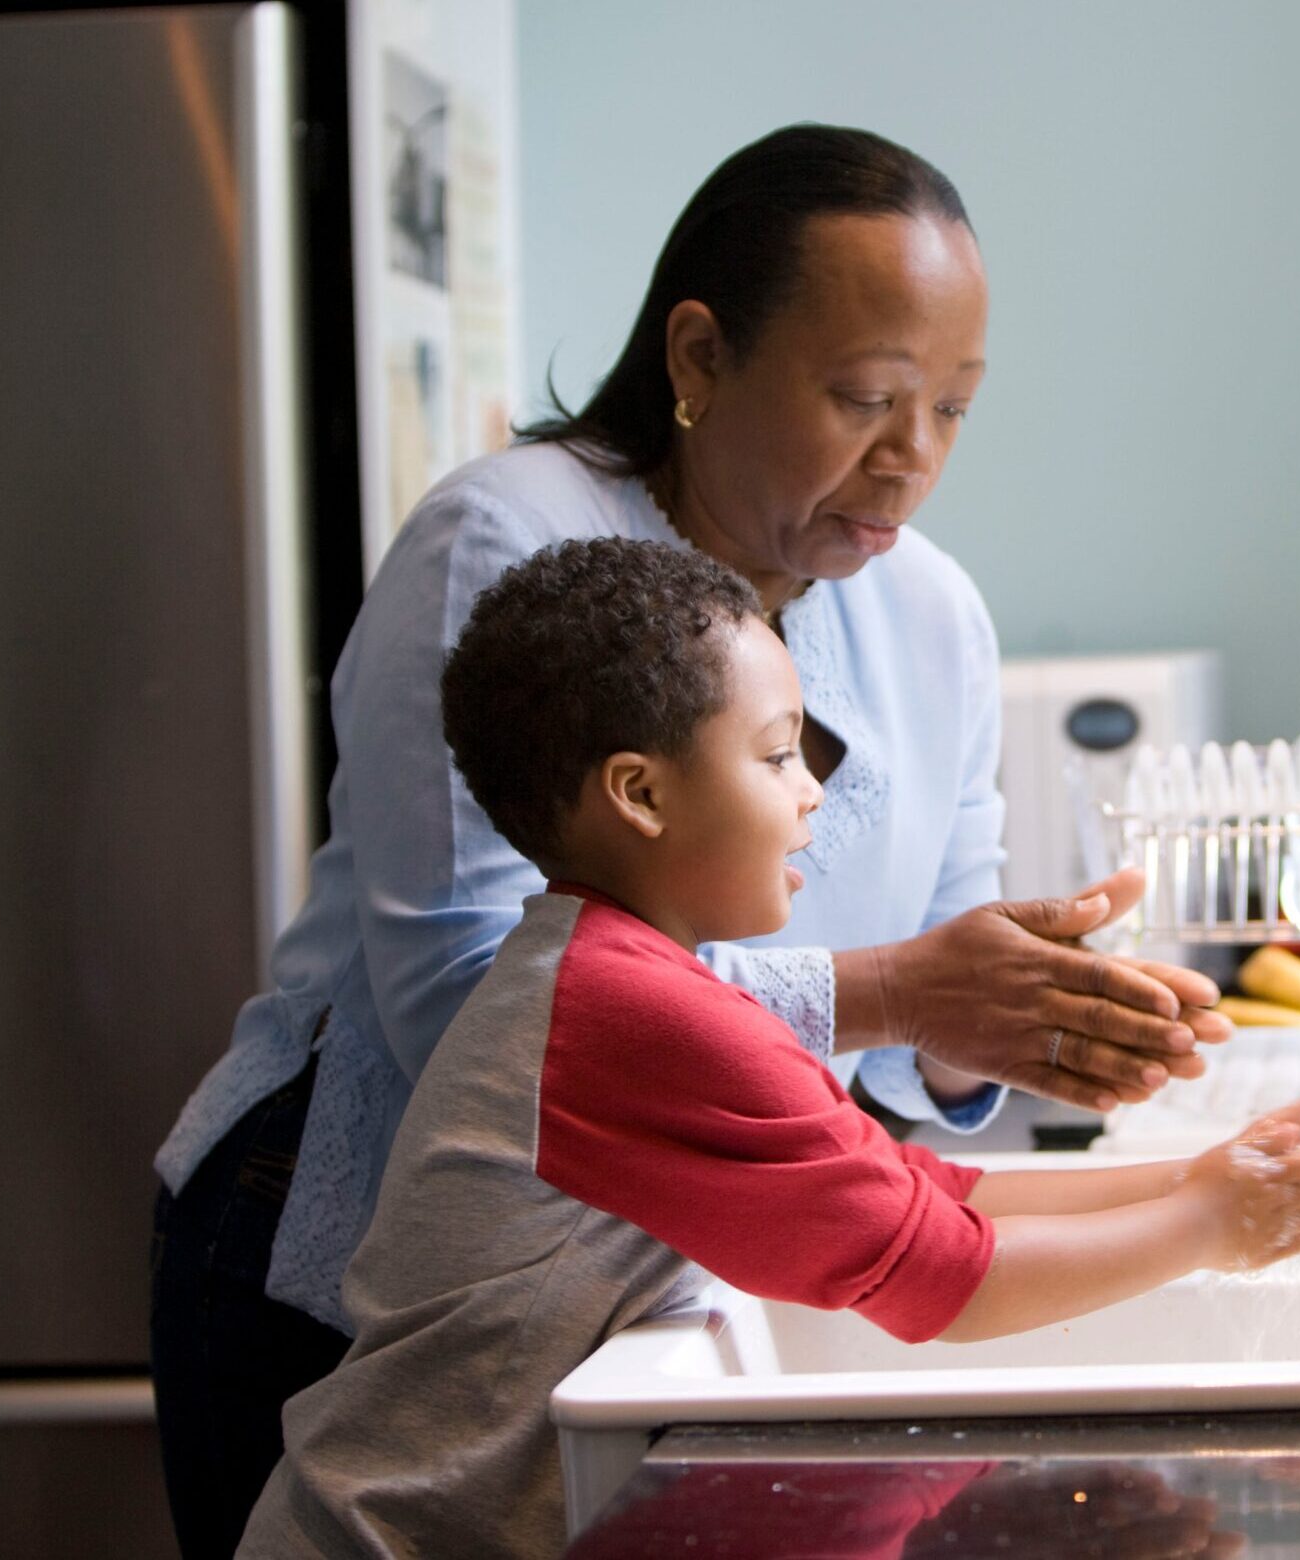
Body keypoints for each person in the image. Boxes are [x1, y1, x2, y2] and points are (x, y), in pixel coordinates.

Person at [150, 122, 1235, 1557]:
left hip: (641, 1290)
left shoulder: (934, 617)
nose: (910, 459)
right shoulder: (508, 542)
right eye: (866, 396)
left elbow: (920, 1059)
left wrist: (1027, 1017)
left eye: (954, 409)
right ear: (701, 356)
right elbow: (471, 1012)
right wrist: (902, 987)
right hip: (337, 1261)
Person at [236, 537, 1300, 1558]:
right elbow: (947, 1282)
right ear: (640, 795)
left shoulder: (620, 977)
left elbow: (929, 1189)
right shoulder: (628, 1013)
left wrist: (1199, 1178)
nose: (812, 790)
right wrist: (1217, 1226)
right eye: (774, 756)